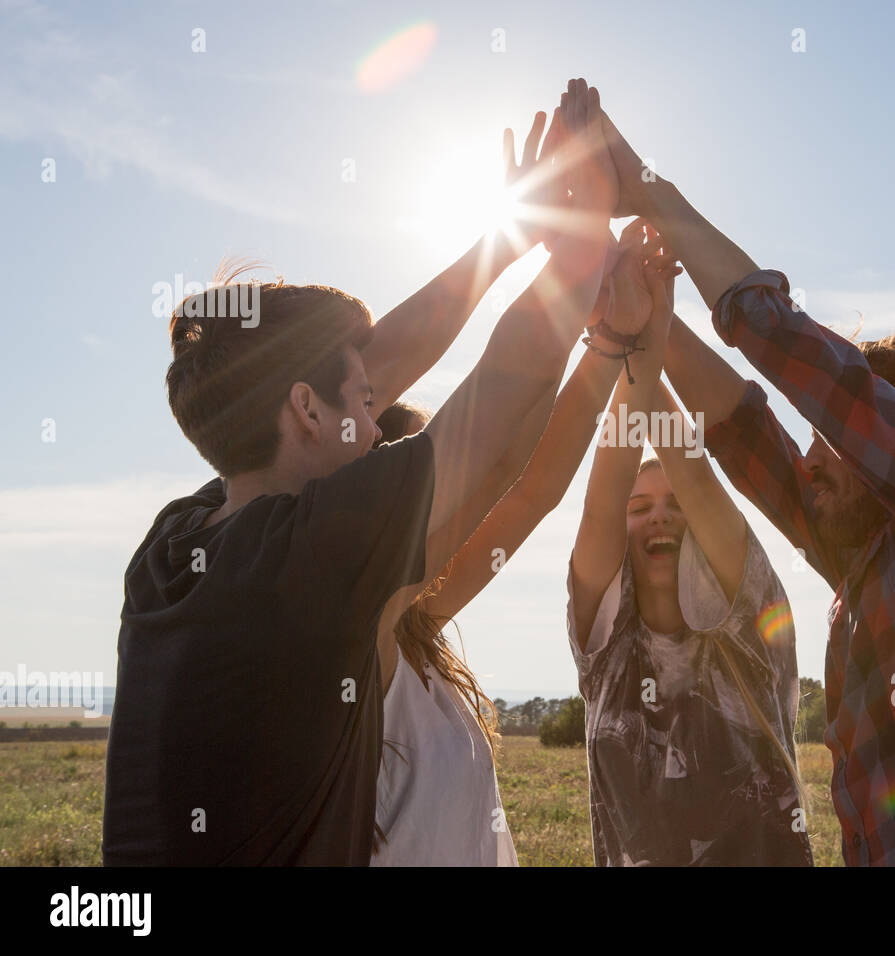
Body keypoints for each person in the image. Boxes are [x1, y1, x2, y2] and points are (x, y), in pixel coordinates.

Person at [103, 79, 618, 865]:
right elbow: (506, 390)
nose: (380, 424)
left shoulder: (173, 549)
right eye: (367, 405)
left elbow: (371, 363)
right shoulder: (312, 558)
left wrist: (507, 241)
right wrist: (584, 235)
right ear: (307, 411)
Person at [594, 108, 895, 865]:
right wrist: (640, 327)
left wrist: (649, 190)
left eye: (831, 439)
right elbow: (743, 430)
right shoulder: (871, 565)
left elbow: (804, 364)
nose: (810, 460)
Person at [366, 225, 649, 866]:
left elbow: (528, 488)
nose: (467, 510)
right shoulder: (359, 639)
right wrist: (577, 280)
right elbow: (512, 474)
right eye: (444, 494)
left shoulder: (417, 627)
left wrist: (607, 341)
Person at [566, 223, 813, 867]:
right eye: (640, 508)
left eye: (672, 506)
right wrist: (630, 340)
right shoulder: (606, 650)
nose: (658, 519)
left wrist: (649, 329)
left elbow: (695, 471)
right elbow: (600, 501)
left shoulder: (748, 628)